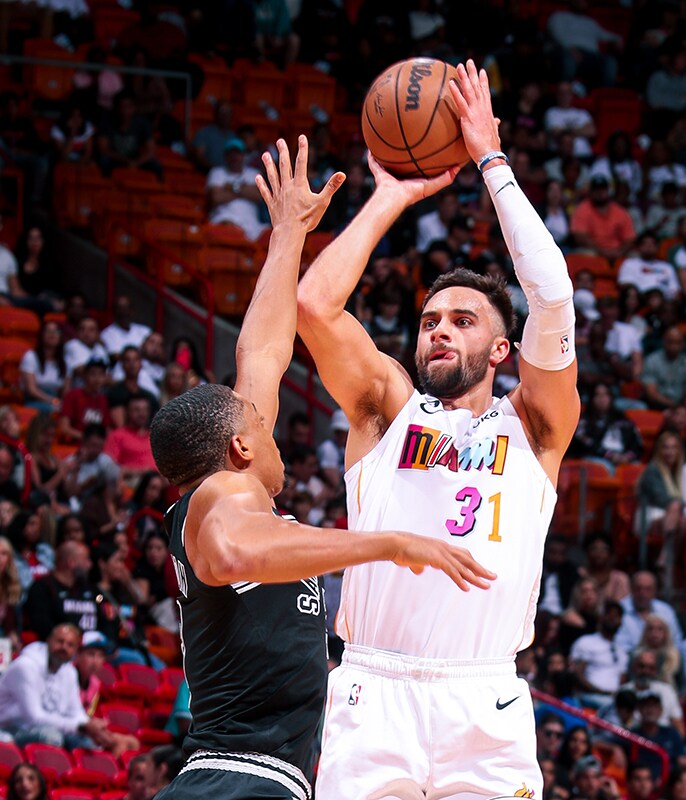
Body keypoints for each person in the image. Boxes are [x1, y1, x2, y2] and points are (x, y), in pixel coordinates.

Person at [149, 137, 493, 800]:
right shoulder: (220, 500)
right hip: (233, 781)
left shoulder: (233, 485)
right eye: (261, 429)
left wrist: (288, 234)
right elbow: (228, 552)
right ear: (242, 449)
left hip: (255, 781)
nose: (273, 433)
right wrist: (388, 543)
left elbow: (264, 351)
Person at [296, 60, 580, 800]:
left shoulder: (537, 427)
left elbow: (551, 296)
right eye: (429, 322)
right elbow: (315, 307)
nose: (440, 332)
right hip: (372, 688)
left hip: (483, 696)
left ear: (501, 350)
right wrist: (390, 197)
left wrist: (490, 160)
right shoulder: (387, 409)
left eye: (462, 320)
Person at [0, 623, 113, 750]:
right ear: (48, 641)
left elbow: (76, 712)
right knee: (52, 737)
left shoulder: (69, 672)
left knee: (89, 744)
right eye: (60, 641)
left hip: (44, 728)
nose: (64, 647)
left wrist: (90, 725)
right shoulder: (26, 666)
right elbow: (34, 718)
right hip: (8, 729)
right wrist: (80, 726)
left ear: (75, 651)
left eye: (70, 645)